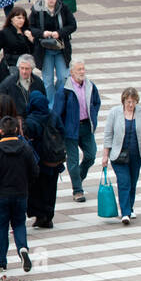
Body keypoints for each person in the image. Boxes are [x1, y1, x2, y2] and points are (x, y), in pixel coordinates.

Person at [100, 86, 141, 225]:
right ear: (123, 101)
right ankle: (125, 213)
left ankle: (130, 207)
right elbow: (108, 134)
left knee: (132, 182)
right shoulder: (114, 112)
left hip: (136, 154)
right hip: (118, 155)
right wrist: (105, 155)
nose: (130, 105)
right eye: (128, 101)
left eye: (133, 102)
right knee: (124, 182)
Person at [52, 57, 99, 204]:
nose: (82, 72)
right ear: (72, 72)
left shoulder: (90, 85)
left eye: (83, 69)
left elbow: (96, 102)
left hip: (86, 126)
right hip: (70, 130)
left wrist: (93, 116)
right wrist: (58, 131)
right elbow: (57, 112)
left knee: (91, 155)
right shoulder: (64, 90)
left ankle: (78, 177)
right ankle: (77, 190)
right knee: (72, 161)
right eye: (79, 69)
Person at [0, 113, 33, 271]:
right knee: (19, 223)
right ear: (16, 129)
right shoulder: (25, 148)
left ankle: (1, 261)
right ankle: (22, 248)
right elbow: (34, 171)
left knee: (2, 226)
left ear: (1, 131)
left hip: (1, 195)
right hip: (21, 193)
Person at [21, 89, 61, 228]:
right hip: (53, 160)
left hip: (39, 162)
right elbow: (62, 131)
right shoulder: (53, 115)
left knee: (37, 190)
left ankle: (40, 216)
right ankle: (48, 217)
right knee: (51, 189)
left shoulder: (31, 120)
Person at [29, 0, 73, 104]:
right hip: (45, 50)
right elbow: (31, 27)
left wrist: (59, 33)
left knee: (63, 77)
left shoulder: (63, 8)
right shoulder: (37, 9)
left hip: (61, 49)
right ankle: (52, 105)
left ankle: (59, 100)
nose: (51, 0)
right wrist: (43, 33)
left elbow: (72, 25)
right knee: (47, 81)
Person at [0, 5, 31, 84]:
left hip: (24, 68)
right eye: (19, 18)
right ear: (11, 19)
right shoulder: (4, 33)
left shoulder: (27, 32)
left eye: (23, 18)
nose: (21, 20)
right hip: (9, 67)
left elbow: (31, 51)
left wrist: (31, 39)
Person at [0, 51, 42, 117]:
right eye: (22, 68)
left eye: (27, 69)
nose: (24, 71)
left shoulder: (38, 82)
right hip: (14, 119)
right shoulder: (7, 83)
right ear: (18, 68)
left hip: (33, 119)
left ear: (32, 69)